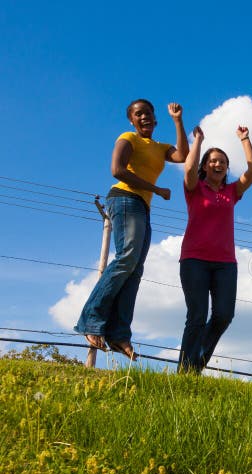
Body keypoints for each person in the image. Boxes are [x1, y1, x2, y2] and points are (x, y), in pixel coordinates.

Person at [76, 99, 188, 360]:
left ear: (155, 118)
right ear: (132, 121)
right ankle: (91, 322)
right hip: (124, 199)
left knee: (135, 269)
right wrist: (156, 189)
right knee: (127, 258)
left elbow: (183, 156)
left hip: (142, 207)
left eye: (148, 113)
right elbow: (117, 169)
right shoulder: (128, 138)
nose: (144, 117)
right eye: (139, 114)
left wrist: (178, 121)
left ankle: (119, 334)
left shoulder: (159, 147)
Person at [178, 125, 252, 372]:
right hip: (194, 260)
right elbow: (189, 168)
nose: (218, 164)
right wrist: (198, 142)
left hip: (225, 263)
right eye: (213, 161)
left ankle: (196, 363)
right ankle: (186, 370)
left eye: (222, 161)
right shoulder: (195, 189)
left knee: (224, 315)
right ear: (205, 166)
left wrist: (245, 139)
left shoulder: (231, 192)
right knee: (197, 315)